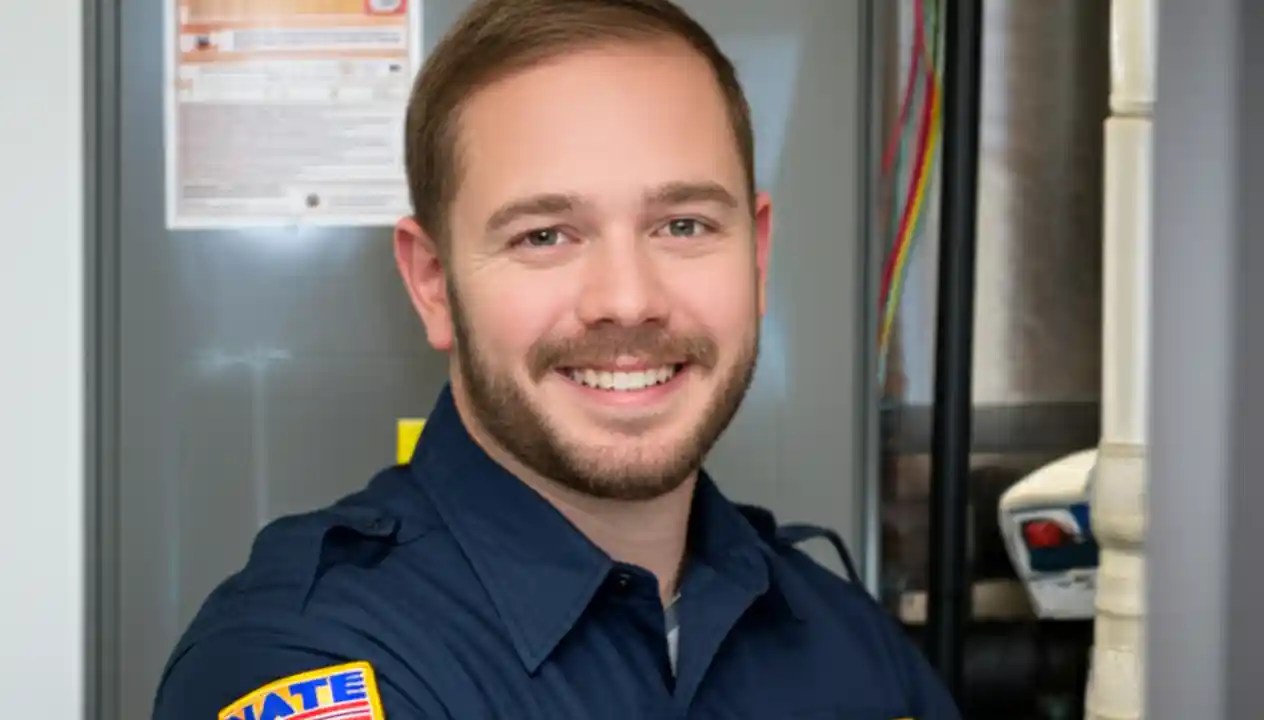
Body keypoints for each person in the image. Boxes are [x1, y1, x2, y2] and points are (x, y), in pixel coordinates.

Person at [153, 0, 961, 717]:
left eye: (682, 225)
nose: (628, 299)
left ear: (756, 256)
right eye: (545, 236)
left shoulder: (845, 644)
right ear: (433, 284)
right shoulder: (311, 659)